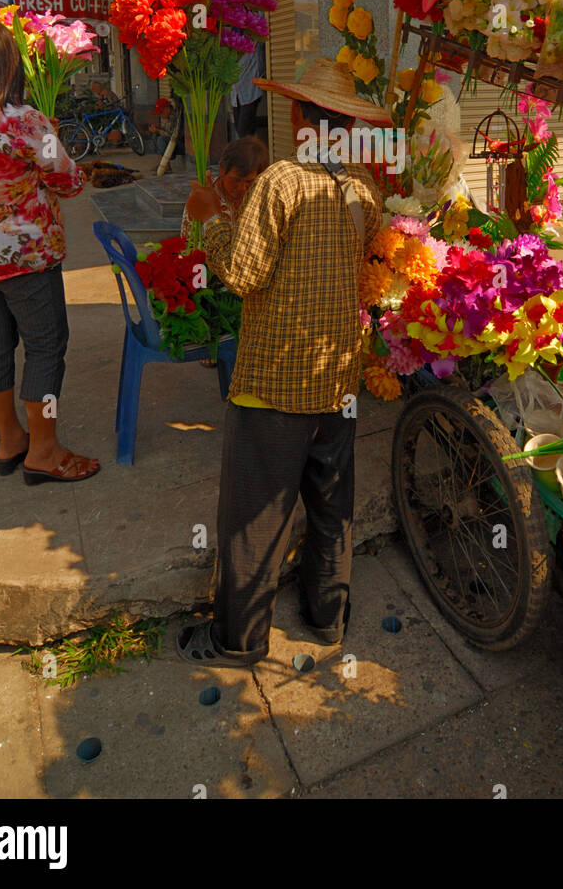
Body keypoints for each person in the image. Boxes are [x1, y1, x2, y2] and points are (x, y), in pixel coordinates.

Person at [176, 56, 389, 669]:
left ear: (298, 114)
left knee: (254, 519)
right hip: (339, 381)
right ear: (345, 125)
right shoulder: (361, 192)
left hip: (275, 382)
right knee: (331, 506)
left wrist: (209, 219)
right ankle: (328, 619)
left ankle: (237, 642)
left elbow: (244, 274)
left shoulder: (281, 182)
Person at [0, 21, 99, 483]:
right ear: (12, 65)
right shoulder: (24, 120)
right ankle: (44, 451)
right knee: (46, 349)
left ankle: (11, 441)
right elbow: (68, 181)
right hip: (25, 258)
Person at [181, 135, 269, 241]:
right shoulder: (204, 197)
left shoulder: (263, 198)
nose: (242, 187)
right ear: (221, 169)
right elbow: (188, 243)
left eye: (249, 181)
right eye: (236, 180)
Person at [229, 41, 265, 138]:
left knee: (243, 131)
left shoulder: (255, 44)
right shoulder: (232, 47)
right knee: (242, 129)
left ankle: (250, 150)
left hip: (250, 92)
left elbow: (261, 65)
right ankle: (254, 150)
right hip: (236, 95)